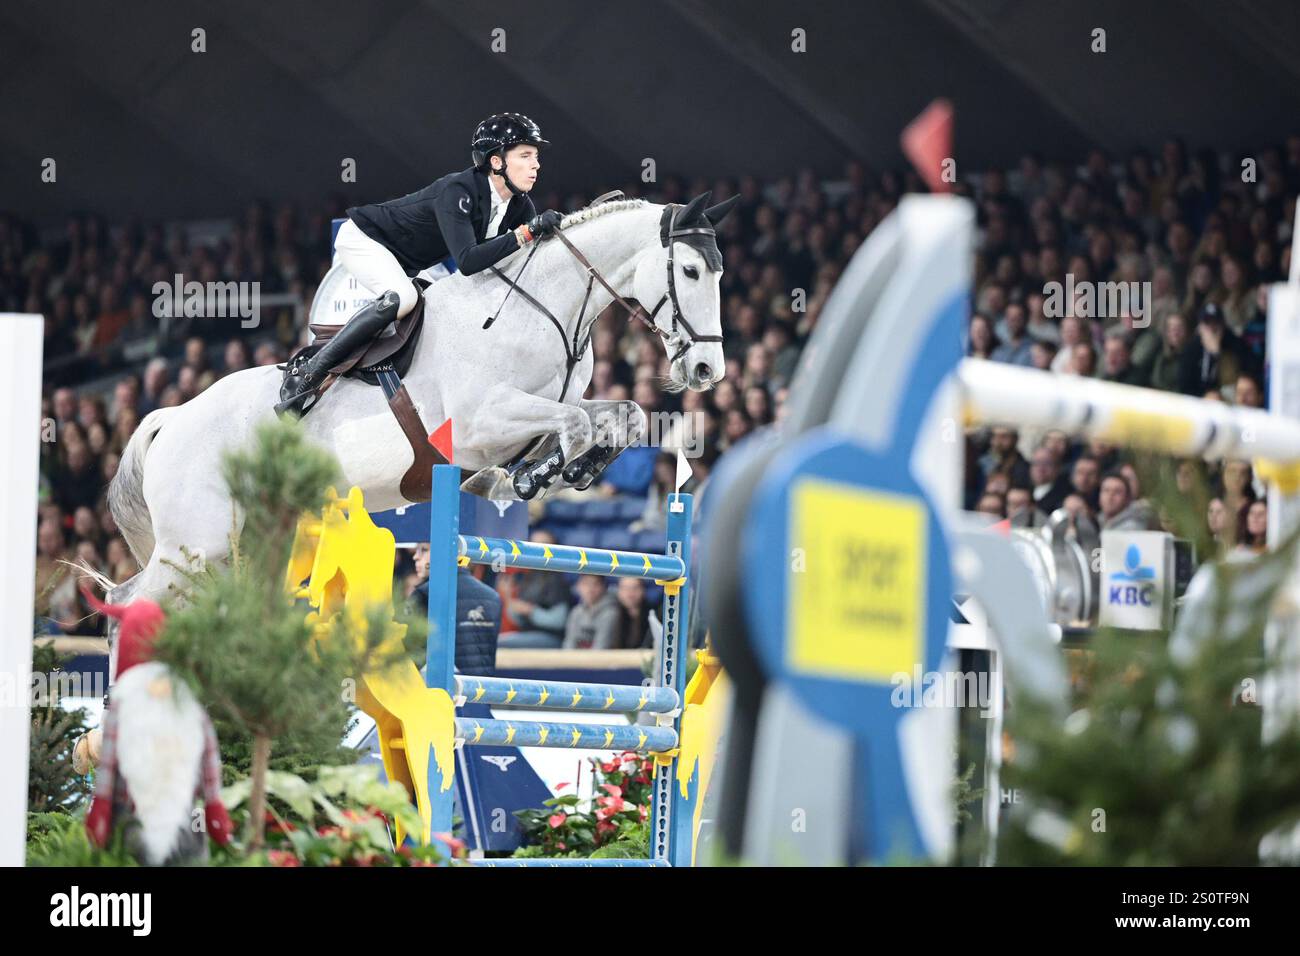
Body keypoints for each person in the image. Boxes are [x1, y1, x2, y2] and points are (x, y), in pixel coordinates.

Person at [277, 113, 563, 414]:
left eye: (536, 156)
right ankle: (310, 374)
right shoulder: (459, 191)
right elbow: (467, 261)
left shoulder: (519, 204)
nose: (536, 164)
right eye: (526, 155)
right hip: (366, 238)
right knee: (403, 298)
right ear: (496, 162)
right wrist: (527, 233)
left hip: (407, 261)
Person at [563, 575, 620, 650]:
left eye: (595, 584)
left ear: (604, 587)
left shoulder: (611, 612)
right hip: (575, 659)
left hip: (603, 660)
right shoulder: (576, 611)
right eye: (586, 584)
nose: (590, 589)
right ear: (578, 586)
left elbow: (601, 647)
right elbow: (569, 643)